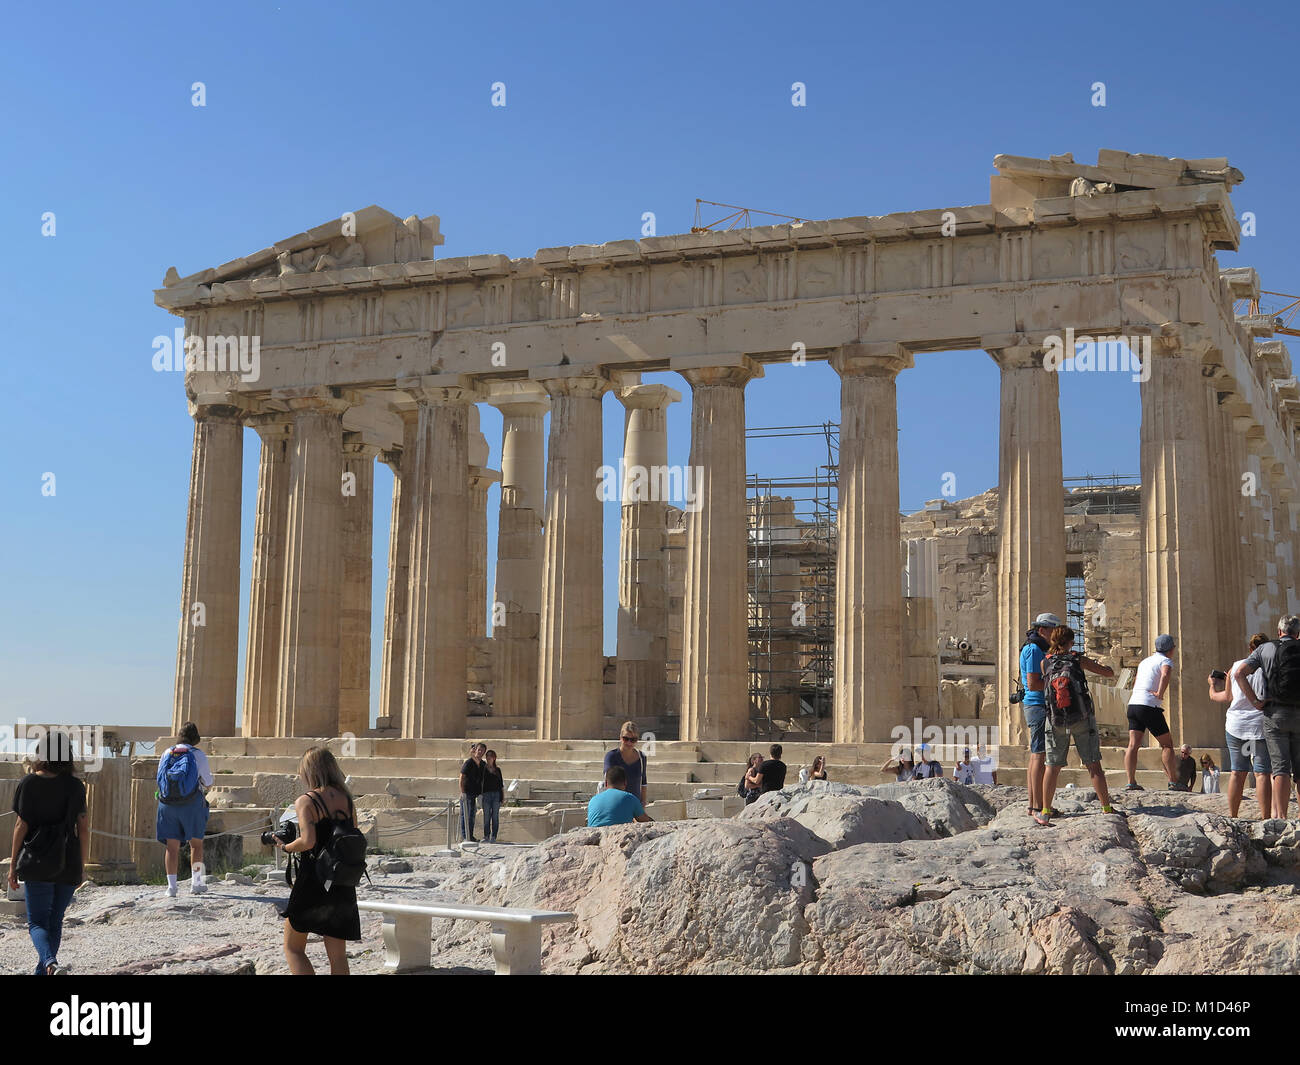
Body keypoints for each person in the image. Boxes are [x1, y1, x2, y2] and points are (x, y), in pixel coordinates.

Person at [8, 730, 89, 975]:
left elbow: (21, 826)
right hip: (68, 859)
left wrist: (12, 866)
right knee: (55, 921)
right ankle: (47, 967)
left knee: (37, 923)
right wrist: (82, 866)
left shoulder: (28, 783)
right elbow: (83, 828)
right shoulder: (76, 785)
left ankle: (49, 964)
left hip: (36, 859)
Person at [277, 747, 361, 975]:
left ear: (309, 772)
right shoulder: (347, 800)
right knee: (337, 956)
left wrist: (286, 846)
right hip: (341, 881)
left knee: (293, 947)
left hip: (313, 881)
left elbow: (308, 841)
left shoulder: (307, 801)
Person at [1038, 625, 1120, 824]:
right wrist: (1104, 666)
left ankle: (1045, 811)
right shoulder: (1077, 659)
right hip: (1082, 718)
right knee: (1093, 765)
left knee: (1052, 766)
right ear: (1070, 641)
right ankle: (1106, 808)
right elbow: (1108, 673)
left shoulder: (1045, 663)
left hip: (1055, 719)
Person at [1232, 614, 1300, 819]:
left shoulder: (1266, 648)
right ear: (1298, 634)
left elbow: (1239, 673)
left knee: (1280, 769)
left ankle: (1280, 817)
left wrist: (1255, 701)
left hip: (1275, 713)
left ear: (1279, 632)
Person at [1209, 633, 1272, 818]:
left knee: (1238, 771)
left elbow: (1227, 697)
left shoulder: (1236, 667)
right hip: (1258, 726)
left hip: (1237, 727)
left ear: (1250, 648)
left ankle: (1234, 815)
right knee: (1261, 773)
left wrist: (1212, 687)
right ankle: (1266, 817)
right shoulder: (1268, 667)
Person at [155, 721, 214, 897]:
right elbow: (208, 782)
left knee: (171, 847)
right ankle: (196, 884)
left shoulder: (167, 752)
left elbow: (159, 778)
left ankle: (171, 888)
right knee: (196, 844)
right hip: (191, 805)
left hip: (167, 805)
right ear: (195, 739)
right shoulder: (198, 754)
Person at [1124, 634, 1180, 792]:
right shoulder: (1165, 660)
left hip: (1134, 703)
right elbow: (1165, 673)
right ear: (1171, 649)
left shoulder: (1144, 661)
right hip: (1149, 705)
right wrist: (1160, 693)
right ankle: (1173, 781)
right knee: (1167, 745)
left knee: (1133, 745)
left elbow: (1136, 680)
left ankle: (1131, 782)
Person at [1019, 612, 1060, 818]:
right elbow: (1034, 683)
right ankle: (1038, 806)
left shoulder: (1034, 647)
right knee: (1039, 755)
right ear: (1042, 630)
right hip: (1037, 705)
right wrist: (1059, 683)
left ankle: (1034, 804)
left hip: (1036, 705)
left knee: (1037, 755)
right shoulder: (1035, 649)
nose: (1055, 635)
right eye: (1053, 630)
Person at [586, 765, 653, 827]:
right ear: (625, 782)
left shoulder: (593, 800)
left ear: (606, 783)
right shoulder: (630, 798)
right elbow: (645, 820)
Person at [603, 722, 648, 806]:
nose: (629, 743)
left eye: (633, 740)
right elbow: (607, 782)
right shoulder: (611, 757)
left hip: (635, 807)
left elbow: (643, 781)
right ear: (620, 738)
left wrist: (643, 802)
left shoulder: (642, 757)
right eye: (626, 739)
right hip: (615, 805)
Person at [458, 742, 485, 842]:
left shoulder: (482, 764)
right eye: (479, 750)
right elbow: (461, 777)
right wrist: (462, 792)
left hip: (475, 793)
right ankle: (465, 837)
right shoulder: (469, 762)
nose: (480, 752)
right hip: (467, 793)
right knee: (465, 815)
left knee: (472, 815)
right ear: (475, 751)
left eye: (482, 750)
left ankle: (470, 836)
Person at [480, 750, 504, 843]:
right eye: (487, 758)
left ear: (494, 758)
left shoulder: (498, 770)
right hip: (486, 794)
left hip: (496, 795)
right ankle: (486, 835)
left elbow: (501, 784)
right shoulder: (483, 769)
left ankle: (494, 836)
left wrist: (502, 797)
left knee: (495, 816)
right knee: (486, 817)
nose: (489, 759)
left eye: (490, 758)